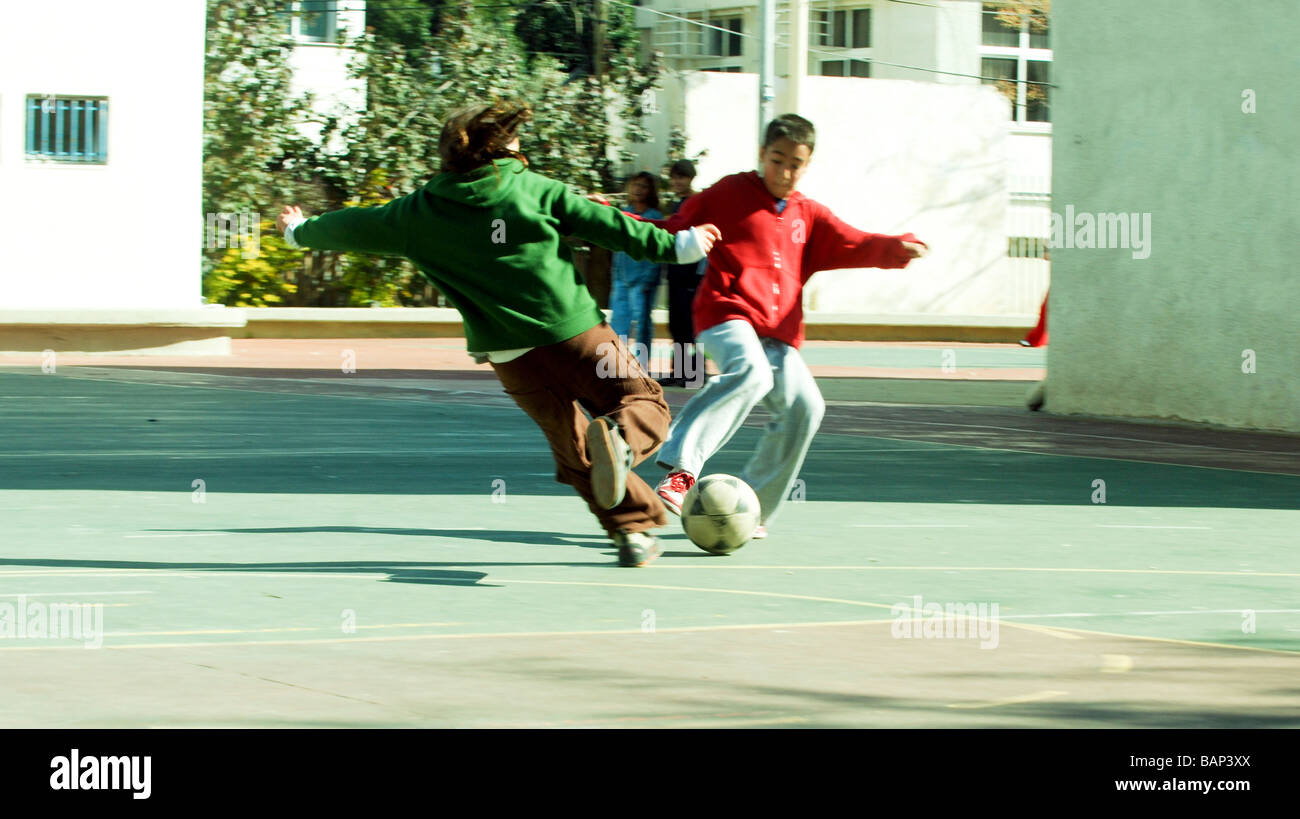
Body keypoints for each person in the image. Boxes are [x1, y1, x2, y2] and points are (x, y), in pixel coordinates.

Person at [274, 102, 720, 567]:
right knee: (643, 402)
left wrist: (299, 231)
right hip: (578, 336)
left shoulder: (418, 212)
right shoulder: (533, 189)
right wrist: (679, 245)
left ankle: (631, 532)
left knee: (574, 446)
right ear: (505, 150)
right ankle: (622, 440)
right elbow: (610, 226)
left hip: (511, 358)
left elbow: (355, 225)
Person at [644, 114, 928, 537]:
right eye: (777, 160)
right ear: (762, 154)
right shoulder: (728, 193)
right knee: (751, 372)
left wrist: (896, 247)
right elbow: (671, 228)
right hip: (725, 316)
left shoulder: (807, 215)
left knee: (806, 407)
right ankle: (681, 471)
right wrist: (609, 223)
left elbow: (855, 242)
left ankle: (752, 510)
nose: (784, 172)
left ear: (807, 165)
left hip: (777, 335)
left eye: (795, 164)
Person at [659, 159, 708, 388]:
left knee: (693, 326)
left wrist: (700, 274)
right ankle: (679, 371)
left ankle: (697, 372)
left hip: (693, 275)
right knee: (677, 325)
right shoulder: (675, 205)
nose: (677, 182)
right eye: (675, 177)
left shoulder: (697, 203)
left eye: (682, 177)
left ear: (691, 178)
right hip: (676, 272)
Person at [608, 172, 663, 370]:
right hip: (622, 278)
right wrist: (616, 275)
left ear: (651, 191)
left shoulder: (654, 217)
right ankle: (617, 366)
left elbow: (656, 251)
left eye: (644, 186)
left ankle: (641, 366)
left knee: (642, 325)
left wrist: (649, 279)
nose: (638, 189)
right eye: (635, 185)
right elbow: (618, 247)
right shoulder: (624, 213)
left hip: (643, 280)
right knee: (618, 323)